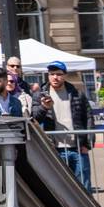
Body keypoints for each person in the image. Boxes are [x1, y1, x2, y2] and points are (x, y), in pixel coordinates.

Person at [38, 62, 93, 191]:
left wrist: (87, 144)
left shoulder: (77, 93)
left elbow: (88, 118)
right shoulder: (41, 94)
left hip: (78, 148)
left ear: (65, 75)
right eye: (52, 74)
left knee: (84, 188)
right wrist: (44, 108)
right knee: (59, 189)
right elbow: (35, 118)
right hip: (54, 149)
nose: (55, 77)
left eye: (58, 74)